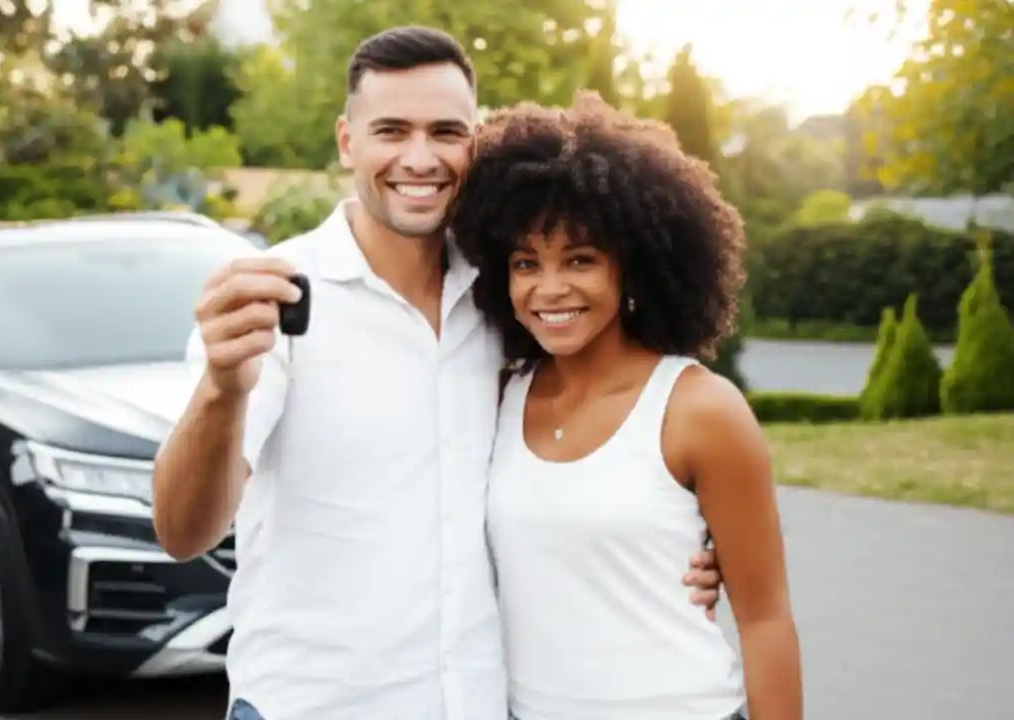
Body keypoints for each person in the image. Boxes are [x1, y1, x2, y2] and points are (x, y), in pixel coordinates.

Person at [151, 27, 724, 720]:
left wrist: (687, 536)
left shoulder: (510, 296)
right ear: (347, 141)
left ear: (474, 144)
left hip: (479, 703)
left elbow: (605, 423)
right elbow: (183, 532)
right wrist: (221, 391)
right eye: (391, 130)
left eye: (445, 132)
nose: (419, 158)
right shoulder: (276, 299)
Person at [449, 92, 803, 720]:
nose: (549, 288)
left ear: (633, 267)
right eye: (526, 263)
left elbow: (766, 618)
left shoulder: (699, 410)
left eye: (580, 260)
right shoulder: (499, 396)